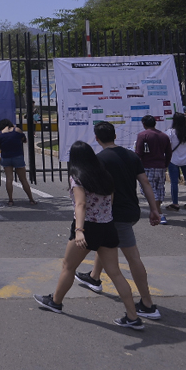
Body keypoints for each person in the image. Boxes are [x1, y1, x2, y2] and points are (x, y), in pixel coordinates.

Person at [35, 141, 143, 330]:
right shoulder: (105, 175)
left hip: (87, 227)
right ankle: (133, 316)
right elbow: (111, 199)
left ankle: (56, 301)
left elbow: (81, 204)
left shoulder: (78, 177)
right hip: (108, 226)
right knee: (115, 272)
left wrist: (79, 230)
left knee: (68, 267)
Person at [74, 121, 163, 320]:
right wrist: (154, 209)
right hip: (131, 211)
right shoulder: (132, 155)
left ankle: (147, 304)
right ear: (115, 135)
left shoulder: (99, 159)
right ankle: (95, 277)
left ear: (96, 139)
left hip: (115, 214)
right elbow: (145, 182)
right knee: (107, 244)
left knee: (133, 258)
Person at [134, 115, 171, 224]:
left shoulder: (143, 135)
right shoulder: (164, 136)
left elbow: (138, 153)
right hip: (160, 166)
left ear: (144, 124)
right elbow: (169, 152)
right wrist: (166, 164)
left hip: (147, 166)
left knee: (149, 190)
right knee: (159, 190)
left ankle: (158, 213)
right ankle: (157, 211)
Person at [0, 118, 37, 206]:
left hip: (6, 157)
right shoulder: (17, 130)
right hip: (18, 156)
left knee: (9, 179)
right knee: (23, 179)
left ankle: (10, 200)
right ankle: (31, 199)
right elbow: (24, 140)